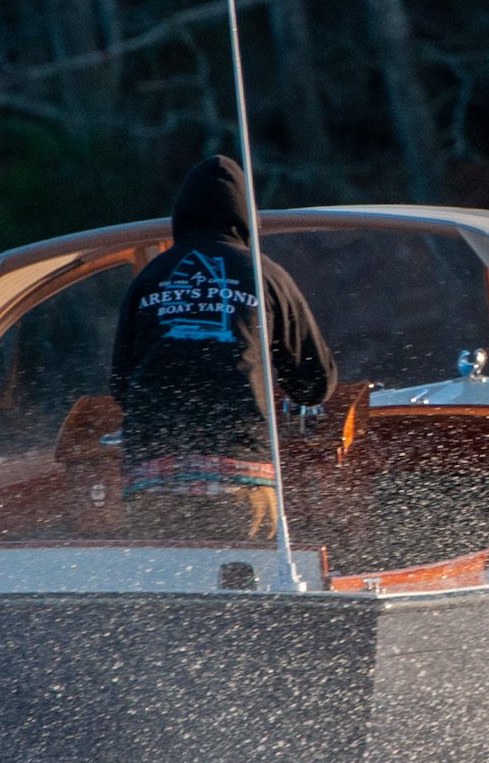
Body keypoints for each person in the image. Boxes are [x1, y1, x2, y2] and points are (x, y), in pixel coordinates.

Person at [110, 155, 336, 540]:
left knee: (161, 574)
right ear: (245, 217)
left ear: (181, 216)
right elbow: (314, 384)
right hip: (240, 476)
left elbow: (120, 386)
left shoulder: (148, 279)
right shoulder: (265, 275)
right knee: (244, 574)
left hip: (152, 479)